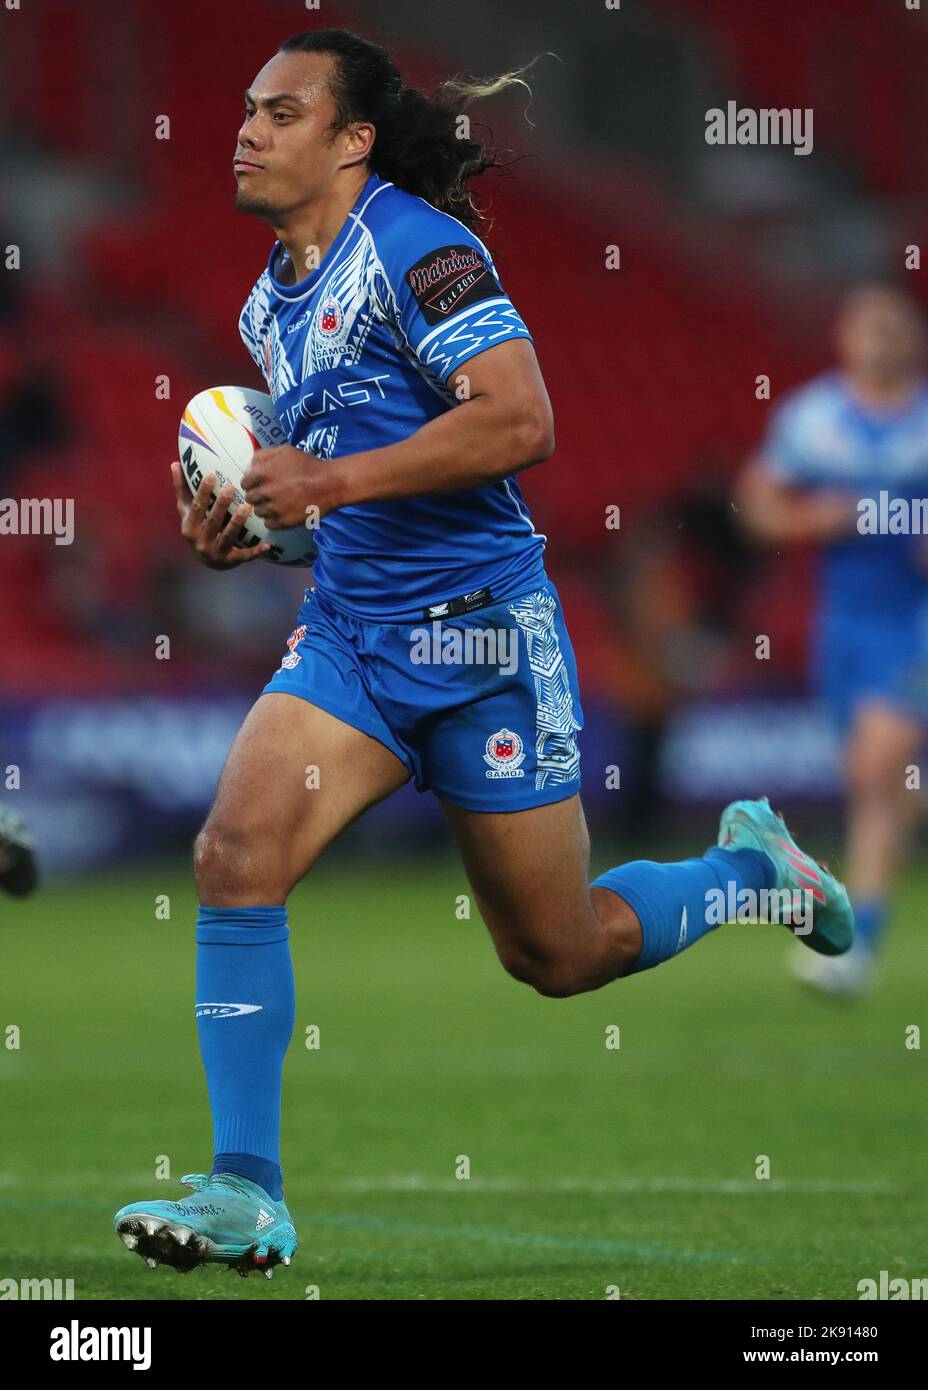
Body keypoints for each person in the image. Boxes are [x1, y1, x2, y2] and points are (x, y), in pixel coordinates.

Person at [114, 28, 853, 1279]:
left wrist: (328, 477)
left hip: (484, 641)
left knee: (558, 954)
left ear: (352, 141)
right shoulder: (265, 298)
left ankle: (747, 869)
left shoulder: (418, 247)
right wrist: (253, 530)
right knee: (235, 852)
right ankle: (245, 1191)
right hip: (350, 636)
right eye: (242, 108)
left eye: (281, 112)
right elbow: (334, 494)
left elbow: (521, 420)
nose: (244, 128)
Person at [738, 282, 928, 996]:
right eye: (867, 325)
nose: (880, 337)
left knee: (879, 779)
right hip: (840, 626)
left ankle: (856, 946)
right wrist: (810, 521)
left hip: (911, 622)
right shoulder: (813, 419)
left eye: (893, 324)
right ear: (845, 338)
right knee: (874, 783)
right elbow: (756, 506)